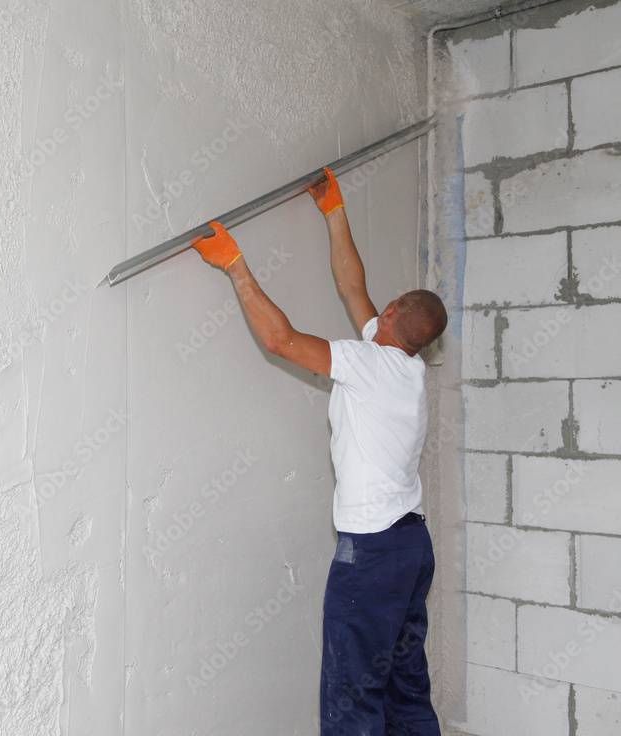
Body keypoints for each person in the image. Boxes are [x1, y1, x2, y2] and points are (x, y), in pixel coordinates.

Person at [191, 167, 447, 736]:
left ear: (401, 319)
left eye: (397, 300)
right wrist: (334, 209)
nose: (387, 299)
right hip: (410, 547)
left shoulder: (370, 365)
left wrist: (235, 264)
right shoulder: (403, 366)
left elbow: (281, 341)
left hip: (376, 555)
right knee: (405, 685)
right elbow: (353, 287)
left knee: (352, 694)